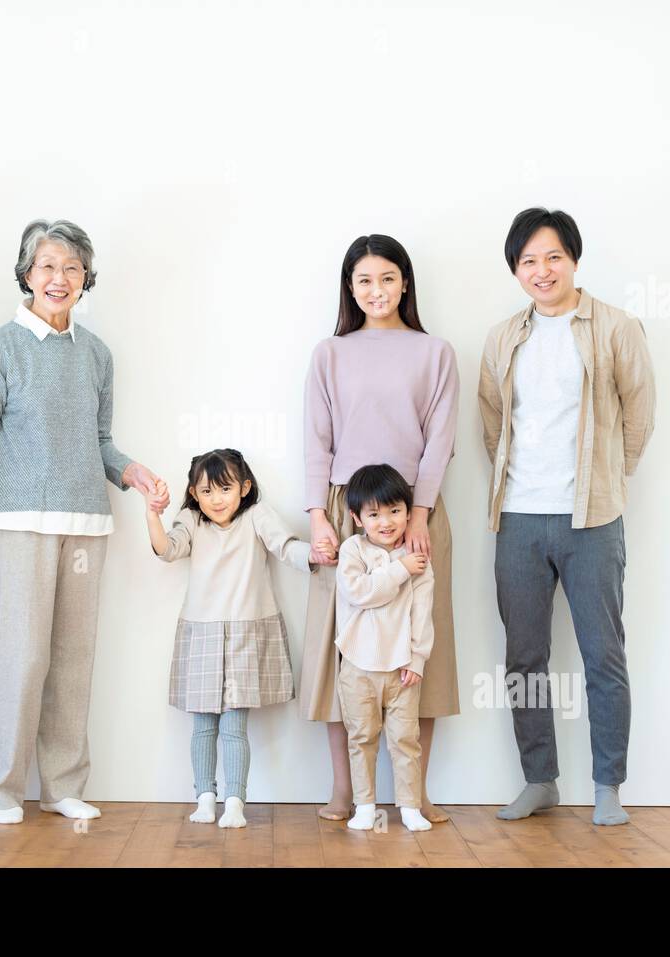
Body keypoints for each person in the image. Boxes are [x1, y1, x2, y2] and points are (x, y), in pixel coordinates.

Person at [0, 218, 167, 824]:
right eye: (48, 266)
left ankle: (62, 785)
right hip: (15, 522)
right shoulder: (0, 348)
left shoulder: (97, 355)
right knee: (20, 658)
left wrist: (131, 472)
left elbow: (99, 441)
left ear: (86, 279)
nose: (60, 278)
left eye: (72, 268)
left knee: (74, 659)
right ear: (27, 273)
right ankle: (1, 791)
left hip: (86, 523)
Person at [478, 207, 656, 826]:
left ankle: (609, 786)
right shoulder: (504, 336)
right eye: (528, 260)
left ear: (574, 259)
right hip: (520, 519)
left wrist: (607, 478)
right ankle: (540, 779)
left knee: (602, 654)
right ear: (516, 270)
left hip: (593, 520)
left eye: (553, 256)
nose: (542, 269)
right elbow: (493, 422)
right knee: (524, 656)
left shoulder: (614, 327)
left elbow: (639, 417)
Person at [300, 234, 461, 822]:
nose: (377, 290)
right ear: (350, 287)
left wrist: (419, 513)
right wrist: (319, 515)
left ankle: (414, 794)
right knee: (343, 648)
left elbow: (441, 441)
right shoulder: (330, 353)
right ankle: (346, 789)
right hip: (347, 508)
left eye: (388, 278)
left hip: (416, 507)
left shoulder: (435, 352)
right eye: (364, 280)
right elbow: (317, 438)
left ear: (405, 282)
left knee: (422, 639)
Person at [144, 449, 321, 828]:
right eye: (206, 492)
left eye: (225, 489)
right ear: (194, 493)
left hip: (246, 632)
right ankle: (205, 798)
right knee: (203, 726)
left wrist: (316, 555)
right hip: (201, 633)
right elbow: (167, 549)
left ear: (245, 487)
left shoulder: (257, 516)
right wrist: (151, 515)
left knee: (234, 727)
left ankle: (235, 802)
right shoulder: (191, 520)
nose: (216, 499)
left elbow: (285, 547)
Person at [334, 465, 435, 832]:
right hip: (358, 665)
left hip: (401, 668)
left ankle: (410, 806)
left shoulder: (417, 557)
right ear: (357, 518)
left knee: (406, 740)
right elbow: (359, 592)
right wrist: (399, 570)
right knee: (361, 738)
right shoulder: (352, 550)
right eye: (374, 514)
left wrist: (418, 658)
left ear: (409, 512)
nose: (386, 522)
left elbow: (422, 614)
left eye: (394, 511)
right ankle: (365, 804)